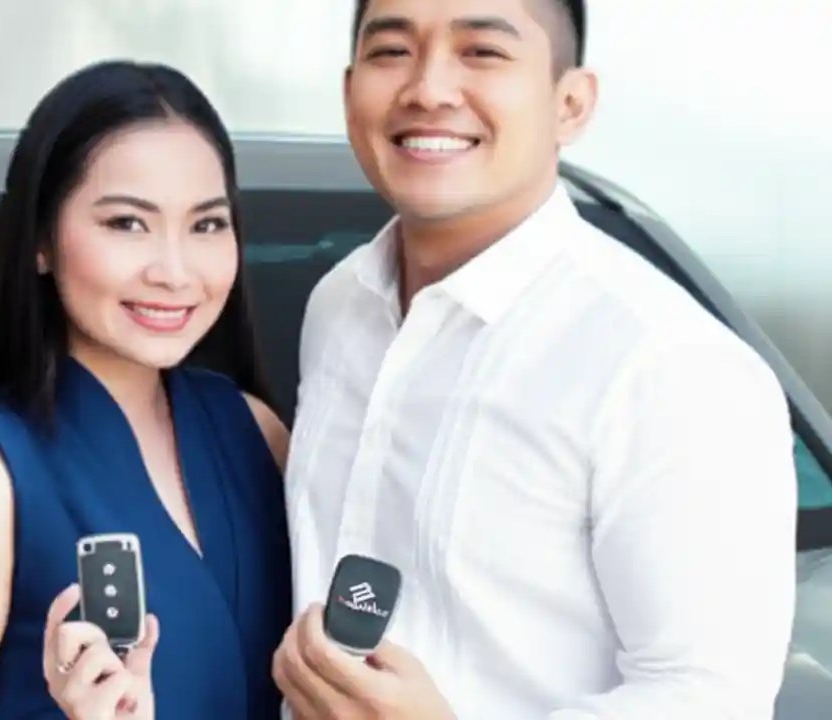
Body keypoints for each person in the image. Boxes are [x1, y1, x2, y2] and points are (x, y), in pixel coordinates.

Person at [274, 0, 797, 718]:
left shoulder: (667, 363)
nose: (428, 88)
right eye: (391, 50)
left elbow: (711, 699)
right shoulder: (339, 308)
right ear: (348, 89)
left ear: (571, 103)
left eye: (482, 52)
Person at [0, 60, 293, 720]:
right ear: (40, 239)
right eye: (128, 223)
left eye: (207, 224)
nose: (174, 271)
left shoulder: (256, 435)